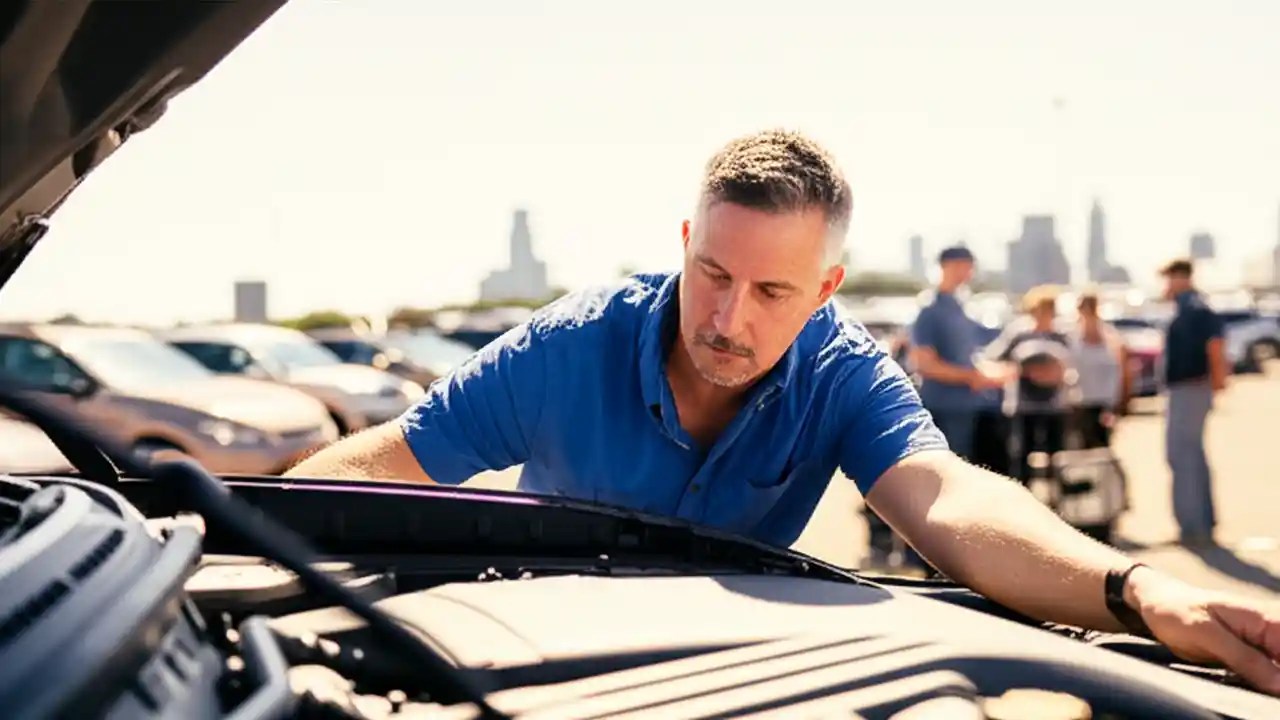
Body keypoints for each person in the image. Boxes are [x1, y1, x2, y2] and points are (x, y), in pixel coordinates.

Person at [288, 130, 1280, 695]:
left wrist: (1139, 590)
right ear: (683, 241)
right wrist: (231, 536)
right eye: (710, 273)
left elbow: (946, 498)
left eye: (770, 293)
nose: (725, 318)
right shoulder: (567, 346)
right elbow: (386, 465)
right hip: (548, 675)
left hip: (741, 680)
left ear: (825, 287)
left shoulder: (841, 371)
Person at [909, 246, 1007, 461]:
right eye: (960, 265)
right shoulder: (930, 309)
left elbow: (973, 352)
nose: (966, 272)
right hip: (944, 405)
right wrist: (971, 377)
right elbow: (925, 364)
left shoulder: (964, 306)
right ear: (944, 267)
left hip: (970, 405)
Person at [1158, 258, 1228, 547]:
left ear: (1180, 277)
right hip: (1190, 389)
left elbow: (1215, 345)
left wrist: (1216, 382)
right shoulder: (1188, 308)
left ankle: (1193, 526)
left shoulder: (1194, 309)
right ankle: (1200, 522)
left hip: (1190, 388)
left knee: (1182, 455)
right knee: (1192, 454)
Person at [982, 285, 1075, 482]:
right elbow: (993, 357)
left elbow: (1074, 365)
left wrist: (1057, 374)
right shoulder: (1018, 334)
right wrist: (1022, 371)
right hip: (1024, 406)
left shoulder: (1062, 336)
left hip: (1054, 405)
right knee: (1021, 454)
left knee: (1057, 454)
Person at [1069, 291, 1130, 449]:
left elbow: (1123, 370)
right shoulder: (1072, 338)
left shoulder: (1111, 337)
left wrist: (1121, 400)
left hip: (1106, 400)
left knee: (1103, 444)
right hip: (1081, 400)